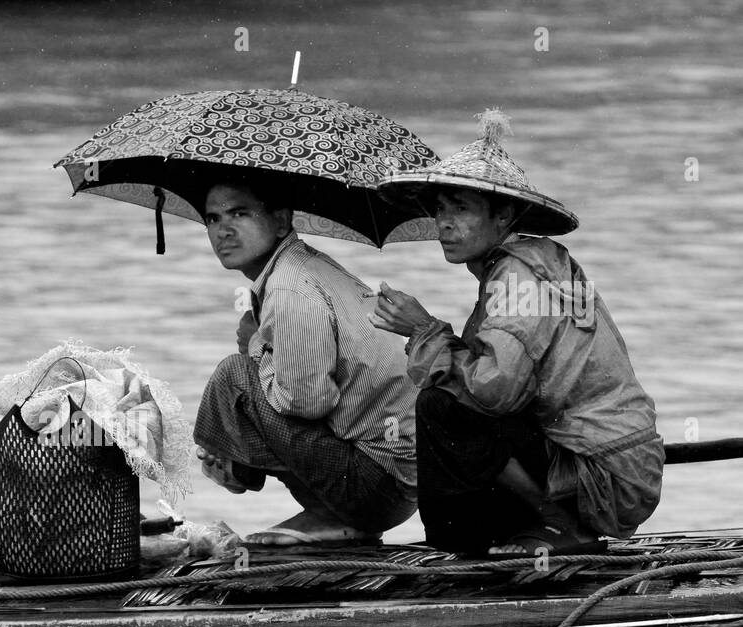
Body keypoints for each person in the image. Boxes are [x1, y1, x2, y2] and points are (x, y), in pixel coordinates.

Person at [370, 110, 663, 556]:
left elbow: (495, 392)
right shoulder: (522, 266)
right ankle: (517, 526)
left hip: (604, 475)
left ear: (504, 214)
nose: (444, 223)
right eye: (441, 209)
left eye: (461, 208)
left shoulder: (517, 276)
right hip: (616, 462)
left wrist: (423, 330)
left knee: (443, 406)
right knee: (449, 396)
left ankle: (559, 524)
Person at [192, 177, 418, 545]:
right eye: (213, 219)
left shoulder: (289, 288)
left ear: (281, 222)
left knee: (234, 376)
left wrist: (254, 347)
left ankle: (324, 509)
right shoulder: (303, 267)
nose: (223, 231)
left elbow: (308, 402)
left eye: (239, 213)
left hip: (375, 488)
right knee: (246, 378)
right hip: (396, 483)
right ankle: (328, 515)